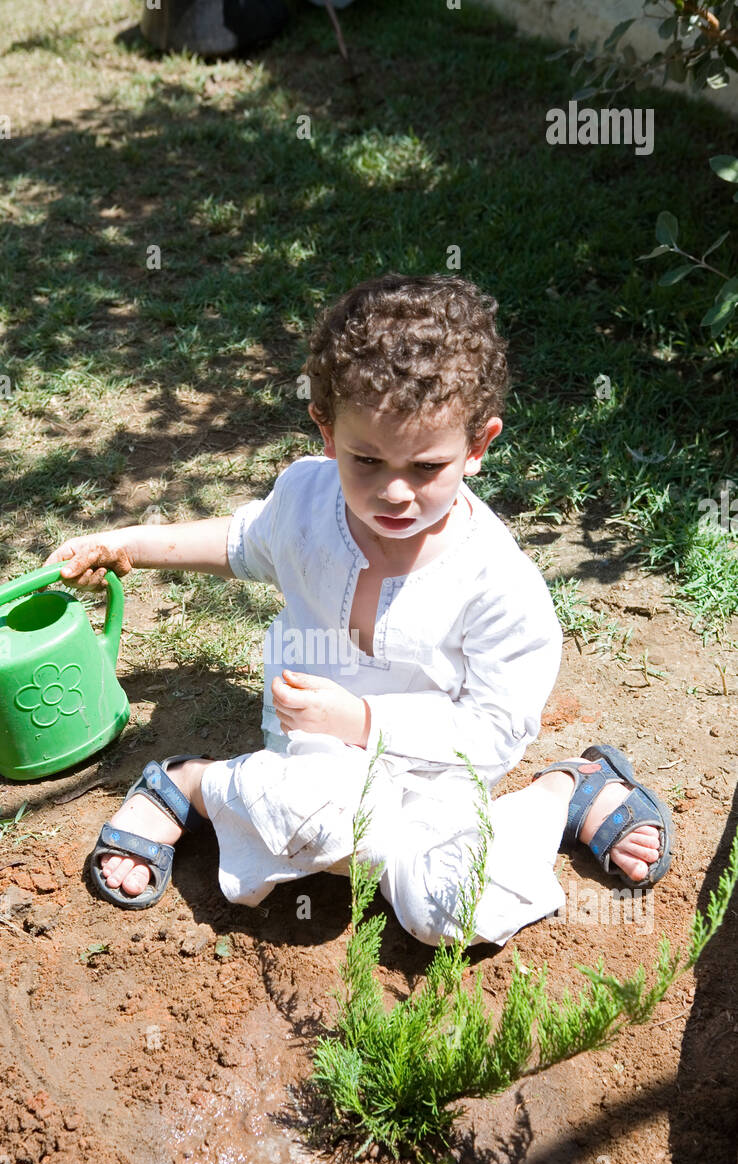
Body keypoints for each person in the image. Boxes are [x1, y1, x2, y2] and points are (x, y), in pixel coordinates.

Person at [45, 272, 672, 948]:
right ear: (326, 430)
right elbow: (243, 544)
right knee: (319, 817)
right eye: (366, 459)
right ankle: (191, 786)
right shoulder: (309, 502)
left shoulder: (496, 582)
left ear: (478, 447)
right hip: (315, 755)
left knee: (448, 911)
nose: (395, 492)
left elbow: (494, 728)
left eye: (427, 467)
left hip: (437, 767)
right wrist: (126, 544)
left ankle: (564, 793)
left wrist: (364, 718)